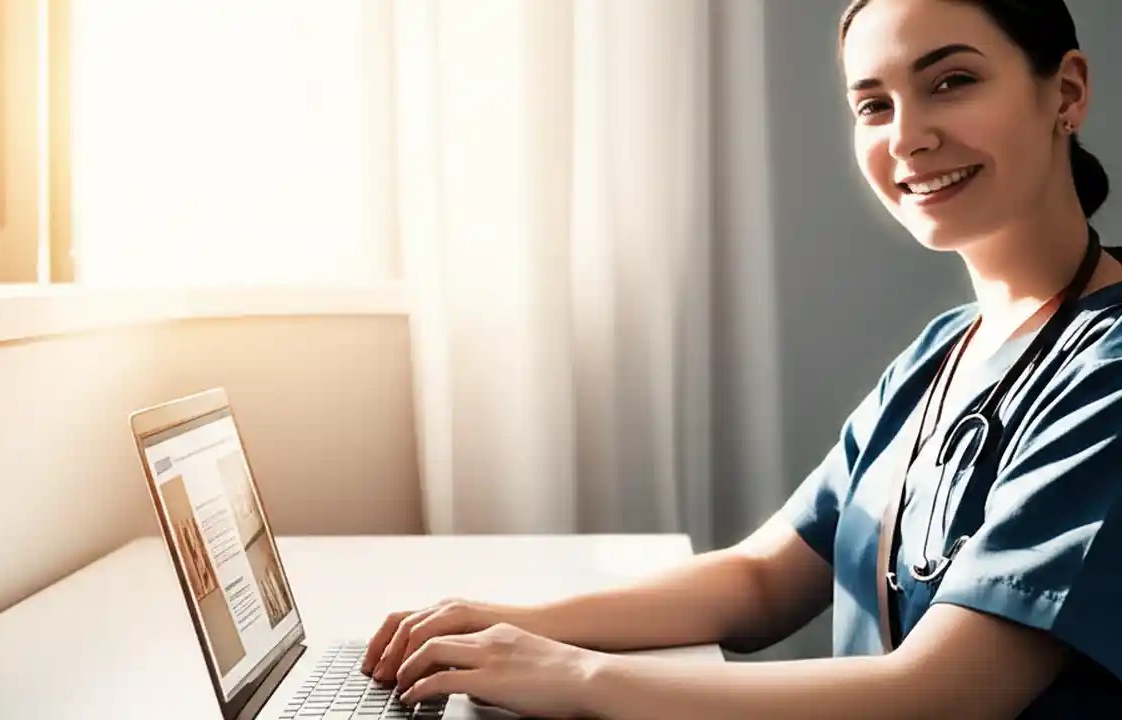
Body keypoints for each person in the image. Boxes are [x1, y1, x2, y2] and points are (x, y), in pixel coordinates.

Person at [360, 0, 1122, 717]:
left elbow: (951, 693)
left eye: (951, 82)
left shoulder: (1108, 371)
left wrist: (576, 676)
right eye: (873, 105)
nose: (906, 136)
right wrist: (509, 623)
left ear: (1066, 91)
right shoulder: (946, 349)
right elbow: (763, 581)